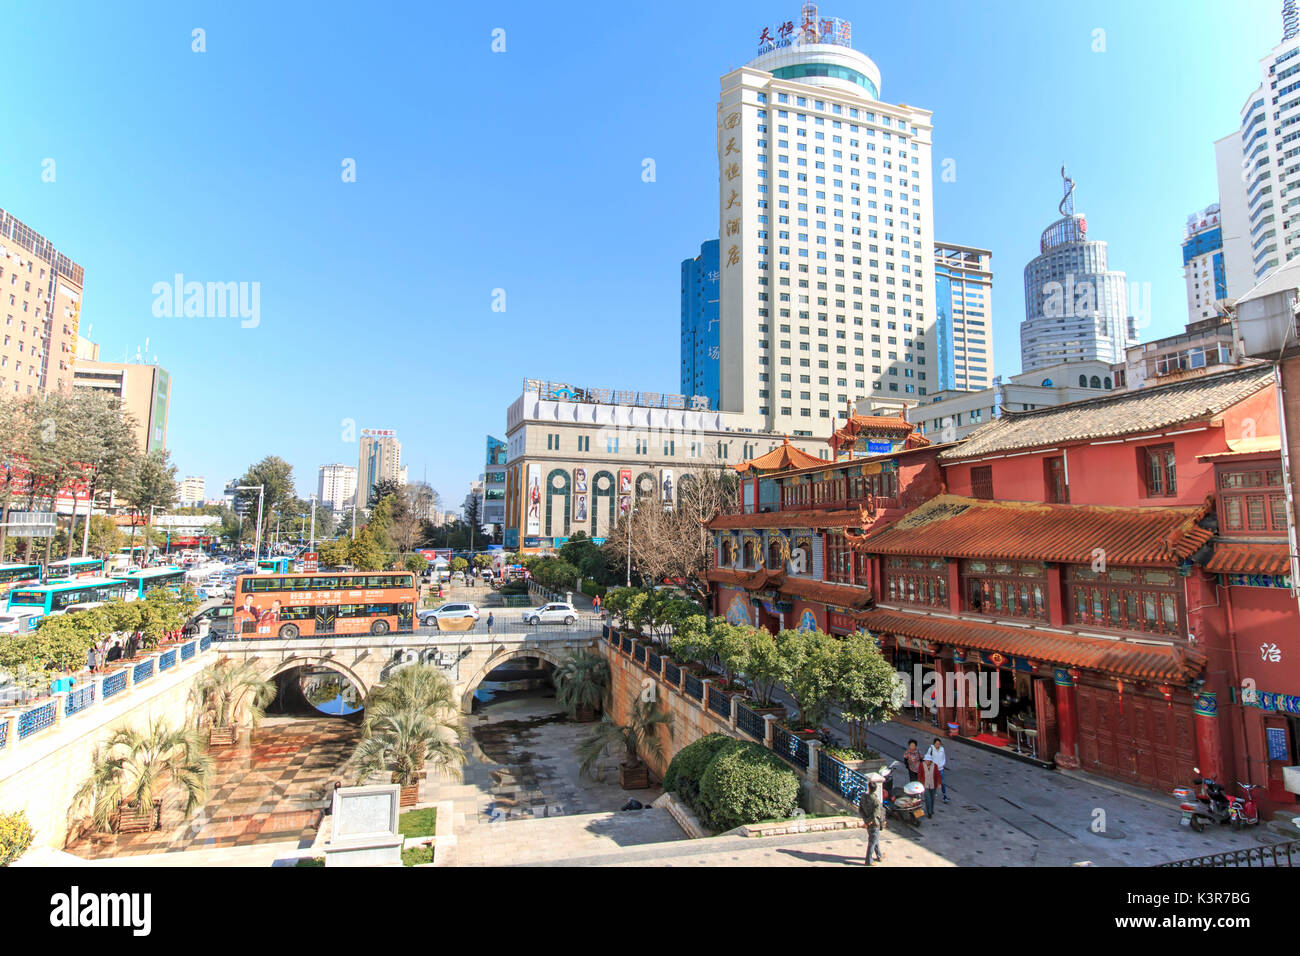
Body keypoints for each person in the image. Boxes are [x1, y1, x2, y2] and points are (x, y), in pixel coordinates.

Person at [857, 775, 886, 865]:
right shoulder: (875, 801)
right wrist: (869, 821)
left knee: (874, 839)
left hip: (868, 822)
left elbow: (860, 810)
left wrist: (865, 820)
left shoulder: (863, 797)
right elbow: (875, 814)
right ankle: (868, 861)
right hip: (874, 823)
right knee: (872, 843)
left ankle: (879, 855)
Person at [925, 737, 949, 803]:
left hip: (941, 768)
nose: (938, 745)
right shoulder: (931, 749)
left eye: (939, 744)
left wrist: (943, 764)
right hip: (933, 768)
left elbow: (944, 757)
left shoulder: (942, 749)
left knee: (943, 782)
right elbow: (927, 757)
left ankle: (944, 795)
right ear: (934, 744)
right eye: (937, 743)